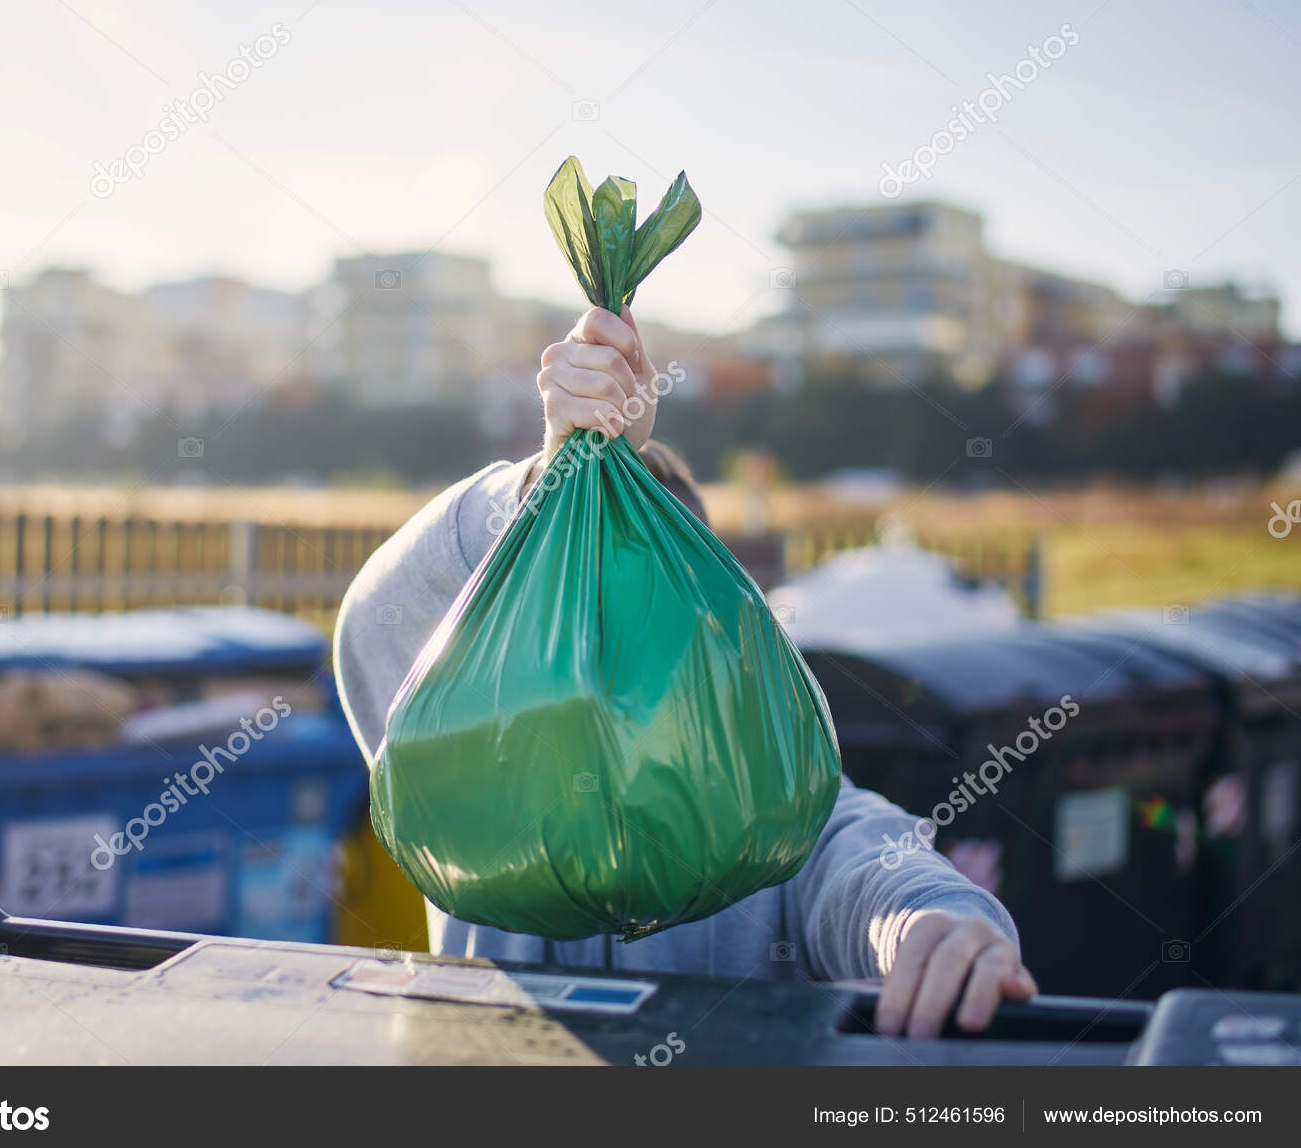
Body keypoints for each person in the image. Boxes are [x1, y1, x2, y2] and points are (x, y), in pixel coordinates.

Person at [333, 306, 1038, 1040]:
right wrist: (545, 483)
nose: (629, 662)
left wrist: (941, 927)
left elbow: (873, 868)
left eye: (668, 627)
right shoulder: (475, 785)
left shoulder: (782, 814)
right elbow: (371, 623)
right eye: (598, 611)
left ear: (728, 641)